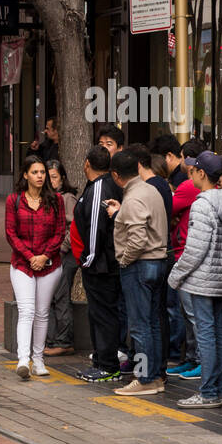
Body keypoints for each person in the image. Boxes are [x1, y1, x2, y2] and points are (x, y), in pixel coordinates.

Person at [167, 151, 222, 408]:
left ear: (201, 174)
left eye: (194, 170)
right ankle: (217, 389)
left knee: (206, 334)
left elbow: (194, 250)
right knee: (219, 332)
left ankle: (208, 392)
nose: (191, 174)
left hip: (201, 279)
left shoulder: (202, 204)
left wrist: (175, 277)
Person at [105, 150, 169, 395]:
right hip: (158, 261)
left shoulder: (132, 199)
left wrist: (124, 259)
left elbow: (137, 239)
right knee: (152, 322)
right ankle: (154, 375)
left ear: (116, 175)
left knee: (140, 325)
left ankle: (144, 378)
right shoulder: (151, 190)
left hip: (140, 265)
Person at [5, 155, 65, 380]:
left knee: (41, 313)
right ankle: (23, 359)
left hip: (49, 264)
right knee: (27, 311)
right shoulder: (14, 200)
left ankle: (38, 360)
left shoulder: (55, 200)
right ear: (25, 175)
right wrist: (31, 256)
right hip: (22, 264)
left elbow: (60, 232)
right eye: (35, 172)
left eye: (42, 173)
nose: (40, 176)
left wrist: (44, 256)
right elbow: (11, 233)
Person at [74, 146, 124, 382]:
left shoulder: (99, 189)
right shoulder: (107, 185)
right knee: (103, 314)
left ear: (87, 164)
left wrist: (88, 259)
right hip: (106, 263)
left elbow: (96, 228)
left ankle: (107, 365)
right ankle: (103, 360)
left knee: (103, 315)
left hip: (101, 265)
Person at [164, 139, 205, 378]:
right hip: (183, 251)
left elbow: (166, 207)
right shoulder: (190, 185)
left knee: (192, 313)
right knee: (188, 313)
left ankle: (199, 360)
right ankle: (191, 358)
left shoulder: (189, 186)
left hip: (186, 253)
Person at [43, 159, 79, 357]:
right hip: (51, 254)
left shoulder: (67, 198)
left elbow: (73, 227)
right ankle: (53, 339)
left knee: (61, 296)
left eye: (54, 177)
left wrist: (62, 249)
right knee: (52, 296)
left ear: (62, 178)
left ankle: (64, 341)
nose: (50, 181)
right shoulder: (49, 197)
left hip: (65, 254)